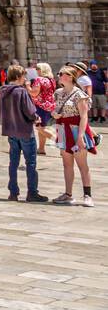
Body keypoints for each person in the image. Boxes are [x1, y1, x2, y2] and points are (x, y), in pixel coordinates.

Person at [0, 62, 47, 203]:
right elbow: (30, 111)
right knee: (30, 163)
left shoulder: (2, 91)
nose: (26, 78)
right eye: (24, 76)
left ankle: (13, 192)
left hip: (11, 131)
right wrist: (36, 118)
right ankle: (32, 192)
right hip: (24, 131)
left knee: (13, 162)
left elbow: (0, 112)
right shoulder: (21, 91)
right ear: (19, 76)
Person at [52, 66, 95, 206]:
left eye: (61, 74)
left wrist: (81, 136)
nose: (59, 75)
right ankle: (68, 194)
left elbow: (84, 117)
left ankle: (88, 195)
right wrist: (54, 114)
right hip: (63, 130)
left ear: (70, 76)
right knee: (67, 164)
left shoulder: (79, 94)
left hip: (76, 130)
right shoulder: (58, 93)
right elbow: (55, 109)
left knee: (82, 165)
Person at [30, 63, 57, 154]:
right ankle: (41, 149)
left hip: (39, 106)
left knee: (39, 127)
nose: (36, 70)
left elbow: (34, 93)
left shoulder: (39, 79)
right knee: (42, 127)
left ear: (42, 70)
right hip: (49, 106)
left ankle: (61, 143)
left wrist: (27, 86)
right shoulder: (51, 80)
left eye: (38, 68)